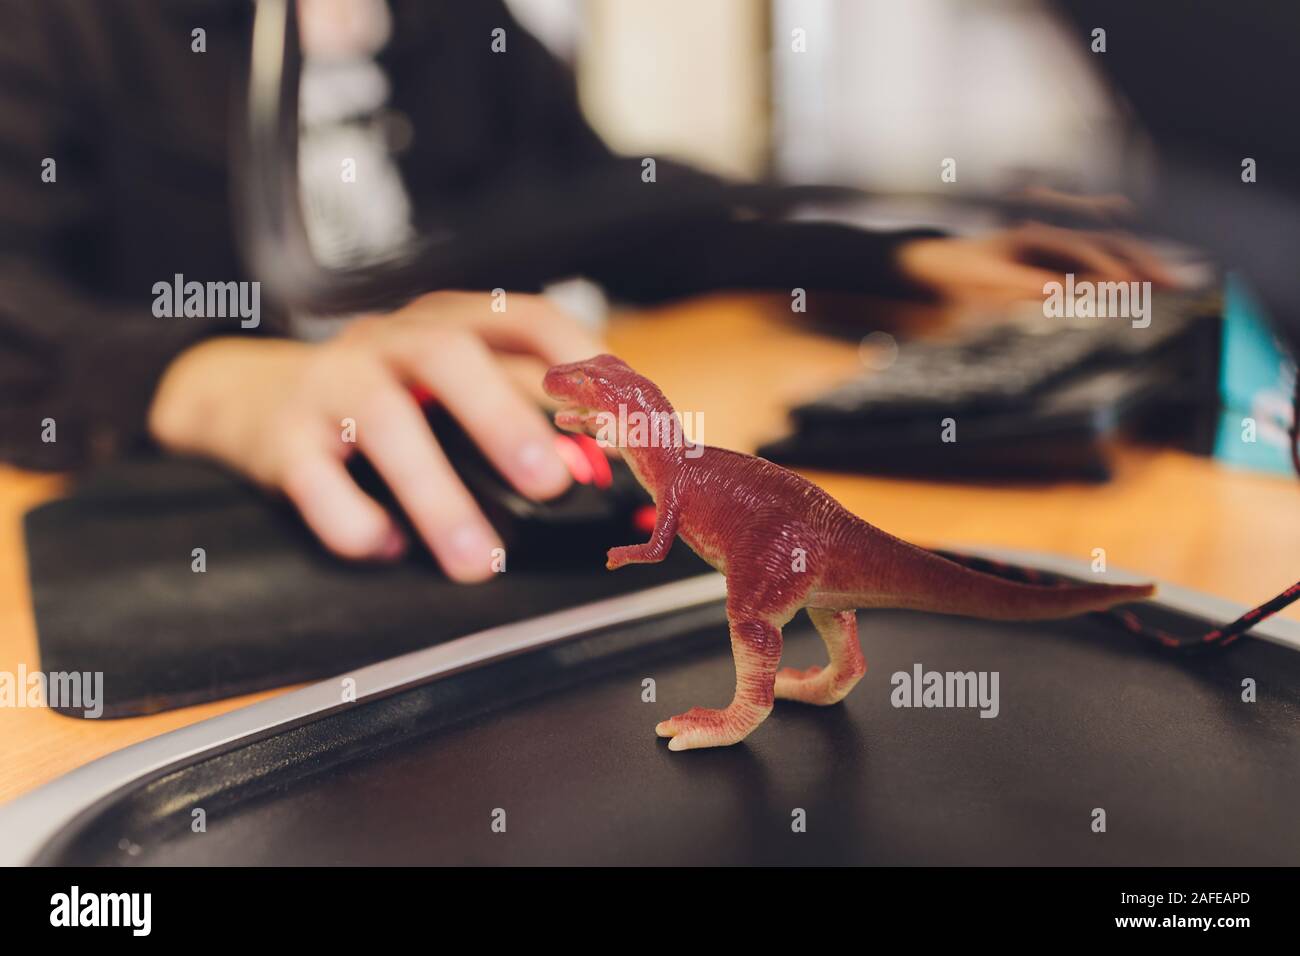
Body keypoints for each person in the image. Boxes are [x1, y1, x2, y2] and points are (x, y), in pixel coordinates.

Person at [0, 0, 1172, 581]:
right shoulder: (62, 29)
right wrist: (219, 384)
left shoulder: (446, 23)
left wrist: (881, 261)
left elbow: (607, 200)